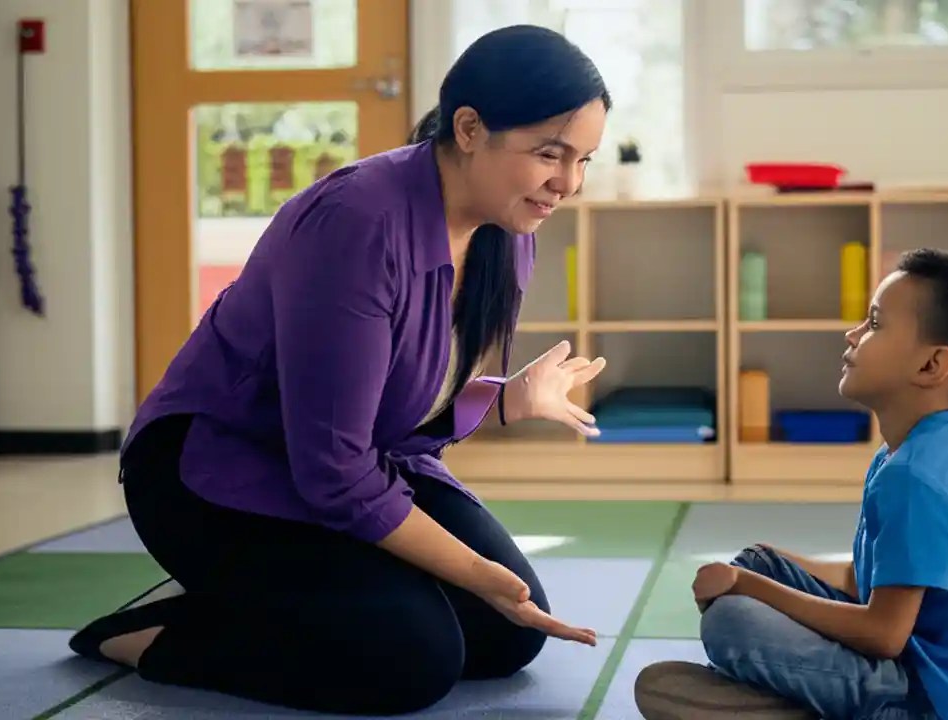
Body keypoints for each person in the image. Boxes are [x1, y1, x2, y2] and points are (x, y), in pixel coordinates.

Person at [68, 25, 611, 716]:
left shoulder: (506, 230)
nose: (567, 184)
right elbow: (333, 469)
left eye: (583, 160)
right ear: (470, 128)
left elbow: (401, 405)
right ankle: (156, 634)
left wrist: (505, 401)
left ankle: (280, 597)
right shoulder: (355, 223)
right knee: (413, 660)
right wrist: (476, 572)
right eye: (549, 154)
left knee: (504, 635)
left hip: (342, 464)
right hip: (213, 476)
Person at [635, 248, 948, 720]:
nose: (852, 334)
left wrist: (749, 588)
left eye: (874, 324)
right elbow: (865, 580)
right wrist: (764, 570)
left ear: (931, 366)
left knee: (732, 618)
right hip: (907, 662)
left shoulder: (922, 477)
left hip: (929, 700)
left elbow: (883, 632)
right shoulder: (918, 449)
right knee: (760, 562)